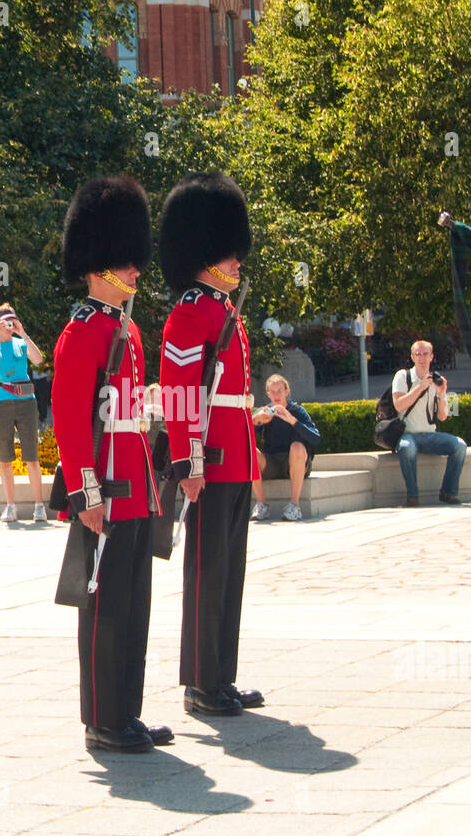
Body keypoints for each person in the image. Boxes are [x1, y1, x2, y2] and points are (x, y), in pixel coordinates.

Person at [54, 174, 168, 753]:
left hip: (137, 483)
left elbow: (129, 413)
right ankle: (102, 718)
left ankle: (128, 710)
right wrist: (87, 493)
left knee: (134, 605)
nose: (135, 272)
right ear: (100, 267)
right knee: (104, 609)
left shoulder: (127, 327)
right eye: (125, 263)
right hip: (107, 486)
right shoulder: (81, 332)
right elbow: (72, 423)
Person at [159, 171, 265, 717]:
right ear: (203, 255)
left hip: (236, 456)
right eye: (228, 255)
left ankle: (222, 674)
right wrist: (189, 461)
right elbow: (180, 394)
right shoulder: (188, 313)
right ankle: (201, 682)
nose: (237, 262)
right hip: (210, 460)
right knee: (206, 572)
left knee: (230, 571)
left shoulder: (224, 311)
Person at [0, 304, 46, 522]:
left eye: (12, 321)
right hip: (0, 402)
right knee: (5, 458)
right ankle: (10, 506)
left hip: (26, 402)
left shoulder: (21, 343)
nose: (9, 325)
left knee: (32, 456)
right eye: (5, 322)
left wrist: (24, 334)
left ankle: (39, 506)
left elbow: (38, 359)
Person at [392, 340, 466, 506]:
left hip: (430, 434)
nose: (421, 358)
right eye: (418, 354)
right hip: (408, 434)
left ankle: (448, 492)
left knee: (460, 445)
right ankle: (412, 496)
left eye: (425, 354)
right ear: (412, 357)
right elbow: (399, 405)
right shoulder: (402, 376)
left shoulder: (436, 380)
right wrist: (420, 387)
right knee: (406, 448)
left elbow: (443, 416)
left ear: (432, 357)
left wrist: (441, 393)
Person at [250, 373, 320, 521]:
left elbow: (315, 438)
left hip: (295, 462)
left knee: (297, 447)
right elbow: (242, 436)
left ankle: (294, 506)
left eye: (279, 391)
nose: (276, 395)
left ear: (286, 391)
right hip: (272, 462)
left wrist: (292, 420)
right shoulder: (264, 412)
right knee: (249, 452)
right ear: (268, 394)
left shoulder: (298, 411)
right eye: (272, 391)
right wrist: (256, 420)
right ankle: (262, 505)